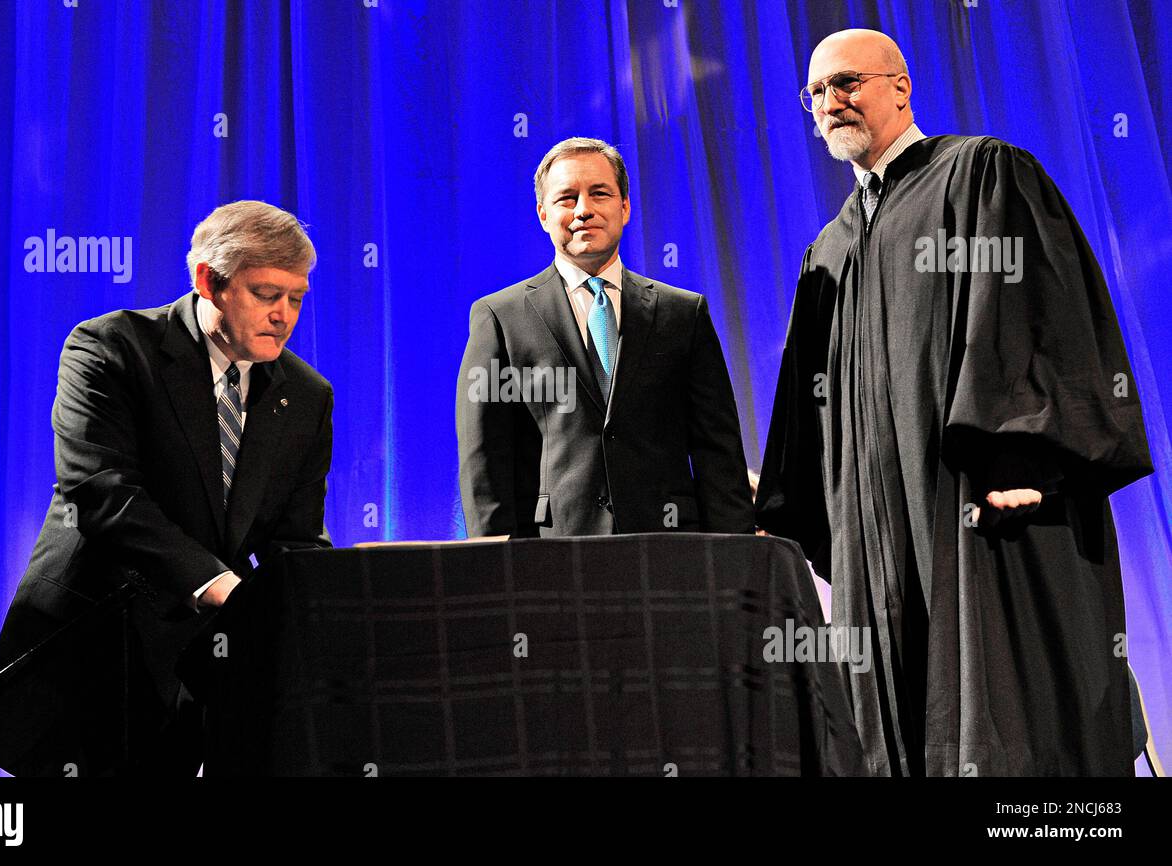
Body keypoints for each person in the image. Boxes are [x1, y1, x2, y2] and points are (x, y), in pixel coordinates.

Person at [756, 29, 1153, 776]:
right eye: (816, 93)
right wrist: (792, 498)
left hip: (981, 510)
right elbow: (811, 412)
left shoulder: (979, 174)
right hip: (881, 540)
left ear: (900, 87)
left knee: (1008, 721)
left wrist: (1027, 453)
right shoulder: (829, 250)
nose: (830, 102)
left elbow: (1037, 318)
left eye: (847, 82)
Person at [0, 201, 334, 776]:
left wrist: (323, 608)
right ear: (208, 281)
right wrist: (222, 588)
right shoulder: (111, 348)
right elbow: (103, 493)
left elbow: (295, 537)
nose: (285, 316)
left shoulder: (306, 394)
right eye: (267, 295)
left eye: (297, 298)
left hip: (200, 674)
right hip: (93, 657)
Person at [456, 137, 753, 537]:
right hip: (552, 556)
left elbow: (718, 452)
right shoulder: (499, 318)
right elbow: (484, 461)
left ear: (625, 207)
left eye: (599, 193)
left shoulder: (684, 313)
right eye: (567, 198)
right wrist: (498, 569)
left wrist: (735, 561)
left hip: (671, 550)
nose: (584, 210)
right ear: (543, 214)